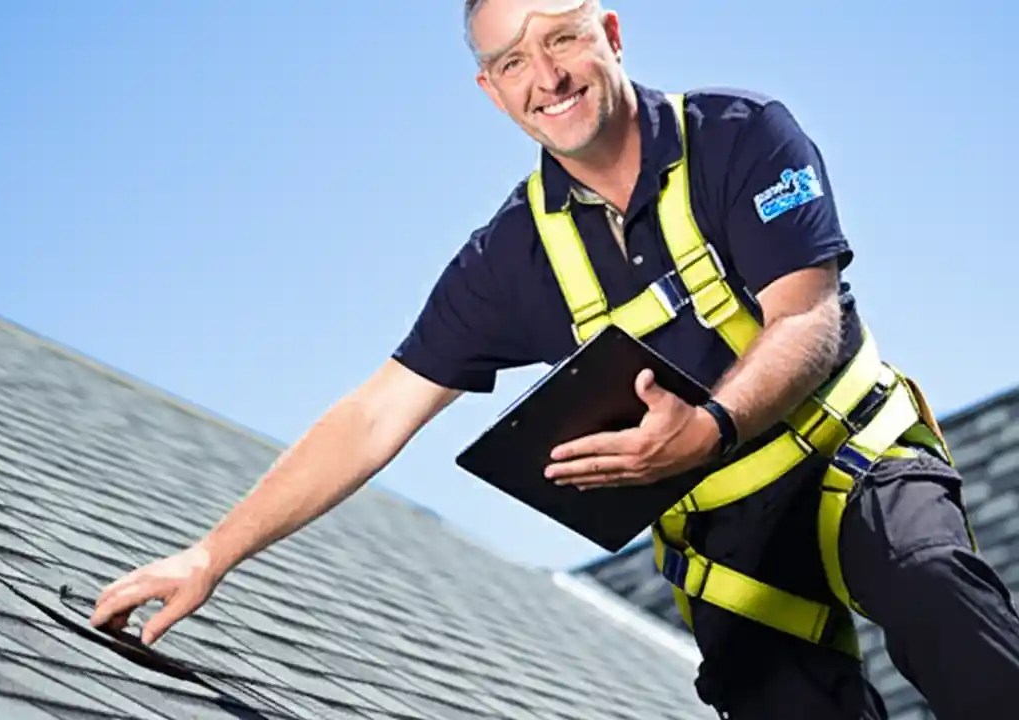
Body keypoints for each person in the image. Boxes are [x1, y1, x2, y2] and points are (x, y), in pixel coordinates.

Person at [89, 1, 1019, 717]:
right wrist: (213, 553)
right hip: (732, 551)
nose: (546, 75)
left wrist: (710, 426)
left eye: (562, 38)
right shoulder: (508, 262)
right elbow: (376, 415)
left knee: (932, 590)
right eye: (511, 60)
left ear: (609, 34)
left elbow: (806, 321)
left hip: (850, 460)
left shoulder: (743, 136)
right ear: (490, 90)